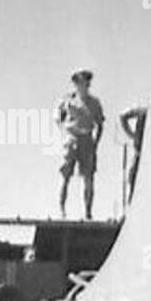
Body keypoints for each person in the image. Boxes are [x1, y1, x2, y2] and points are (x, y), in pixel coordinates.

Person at [56, 69, 105, 219]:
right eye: (78, 82)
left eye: (84, 82)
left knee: (88, 178)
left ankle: (88, 212)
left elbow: (100, 124)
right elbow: (58, 117)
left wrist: (96, 142)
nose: (82, 85)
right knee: (65, 176)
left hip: (87, 139)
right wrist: (64, 132)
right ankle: (62, 210)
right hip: (72, 139)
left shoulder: (94, 103)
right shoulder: (68, 100)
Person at [119, 93, 151, 204]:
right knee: (134, 181)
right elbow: (122, 115)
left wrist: (132, 135)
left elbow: (123, 116)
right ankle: (130, 206)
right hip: (142, 152)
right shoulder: (144, 111)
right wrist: (132, 134)